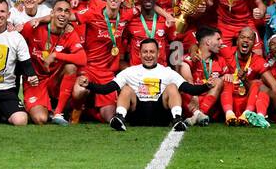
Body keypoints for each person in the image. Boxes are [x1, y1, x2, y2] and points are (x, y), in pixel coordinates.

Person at [80, 38, 209, 132]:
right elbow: (106, 89)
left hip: (161, 116)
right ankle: (119, 118)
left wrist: (206, 86)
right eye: (145, 52)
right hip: (137, 115)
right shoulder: (130, 71)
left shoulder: (167, 72)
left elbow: (189, 89)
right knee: (125, 88)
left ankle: (177, 119)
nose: (148, 55)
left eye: (152, 52)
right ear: (140, 54)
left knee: (172, 87)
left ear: (158, 54)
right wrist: (88, 85)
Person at [21, 0, 85, 125]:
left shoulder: (70, 32)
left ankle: (58, 112)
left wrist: (56, 55)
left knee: (71, 67)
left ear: (69, 16)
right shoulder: (33, 27)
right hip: (35, 81)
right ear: (52, 13)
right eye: (59, 10)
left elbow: (82, 59)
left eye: (66, 11)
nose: (63, 14)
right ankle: (38, 107)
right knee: (40, 119)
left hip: (54, 80)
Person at [220, 26, 270, 127]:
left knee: (257, 83)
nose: (246, 40)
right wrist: (193, 47)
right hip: (229, 100)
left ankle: (246, 114)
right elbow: (207, 45)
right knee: (226, 80)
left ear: (254, 44)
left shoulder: (258, 60)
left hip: (247, 100)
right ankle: (229, 115)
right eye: (243, 37)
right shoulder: (227, 52)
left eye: (250, 39)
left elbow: (269, 85)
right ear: (237, 40)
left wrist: (245, 80)